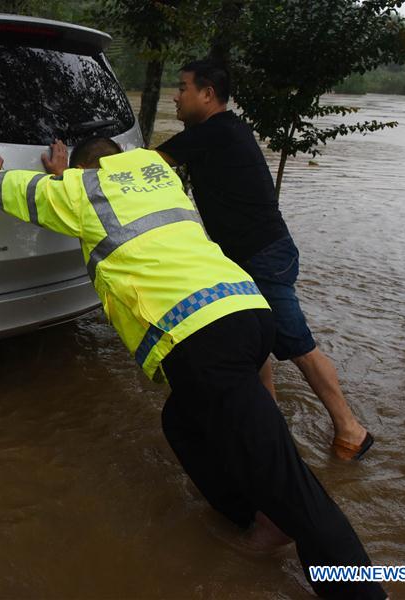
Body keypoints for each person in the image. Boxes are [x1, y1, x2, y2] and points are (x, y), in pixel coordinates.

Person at [0, 136, 386, 599]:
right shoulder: (158, 177)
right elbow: (98, 197)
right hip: (247, 311)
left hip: (203, 338)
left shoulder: (81, 192)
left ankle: (363, 592)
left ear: (83, 170)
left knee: (291, 484)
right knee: (182, 423)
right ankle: (260, 519)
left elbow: (12, 191)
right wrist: (68, 175)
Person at [155, 58, 373, 461]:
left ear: (207, 93)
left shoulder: (215, 131)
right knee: (254, 339)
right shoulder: (223, 130)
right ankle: (268, 421)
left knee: (298, 346)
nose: (175, 95)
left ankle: (351, 428)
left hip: (263, 256)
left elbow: (145, 165)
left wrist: (76, 171)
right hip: (248, 257)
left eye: (182, 87)